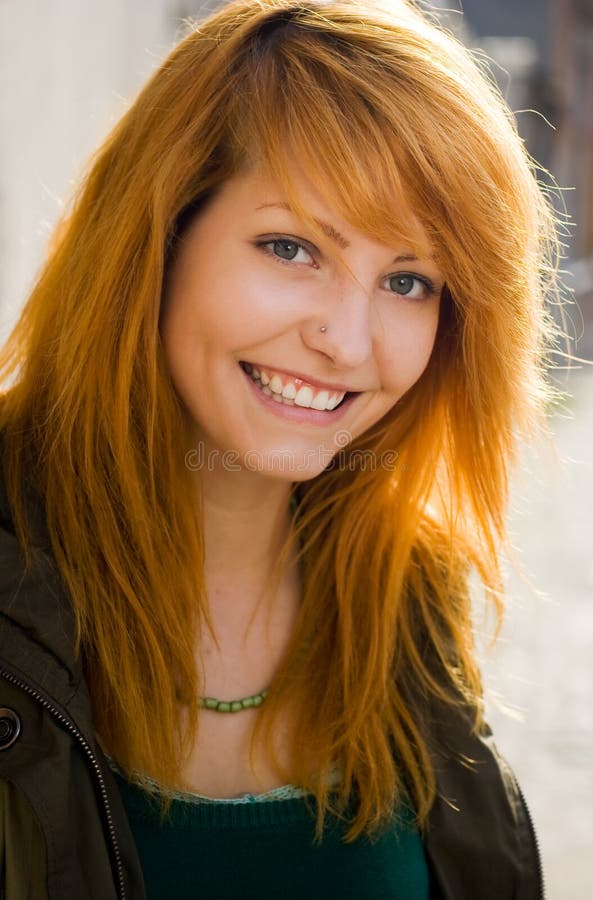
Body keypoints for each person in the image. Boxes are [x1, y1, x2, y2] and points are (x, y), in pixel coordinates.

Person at [0, 0, 562, 896]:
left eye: (408, 280)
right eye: (292, 247)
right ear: (158, 235)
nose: (348, 341)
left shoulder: (405, 586)